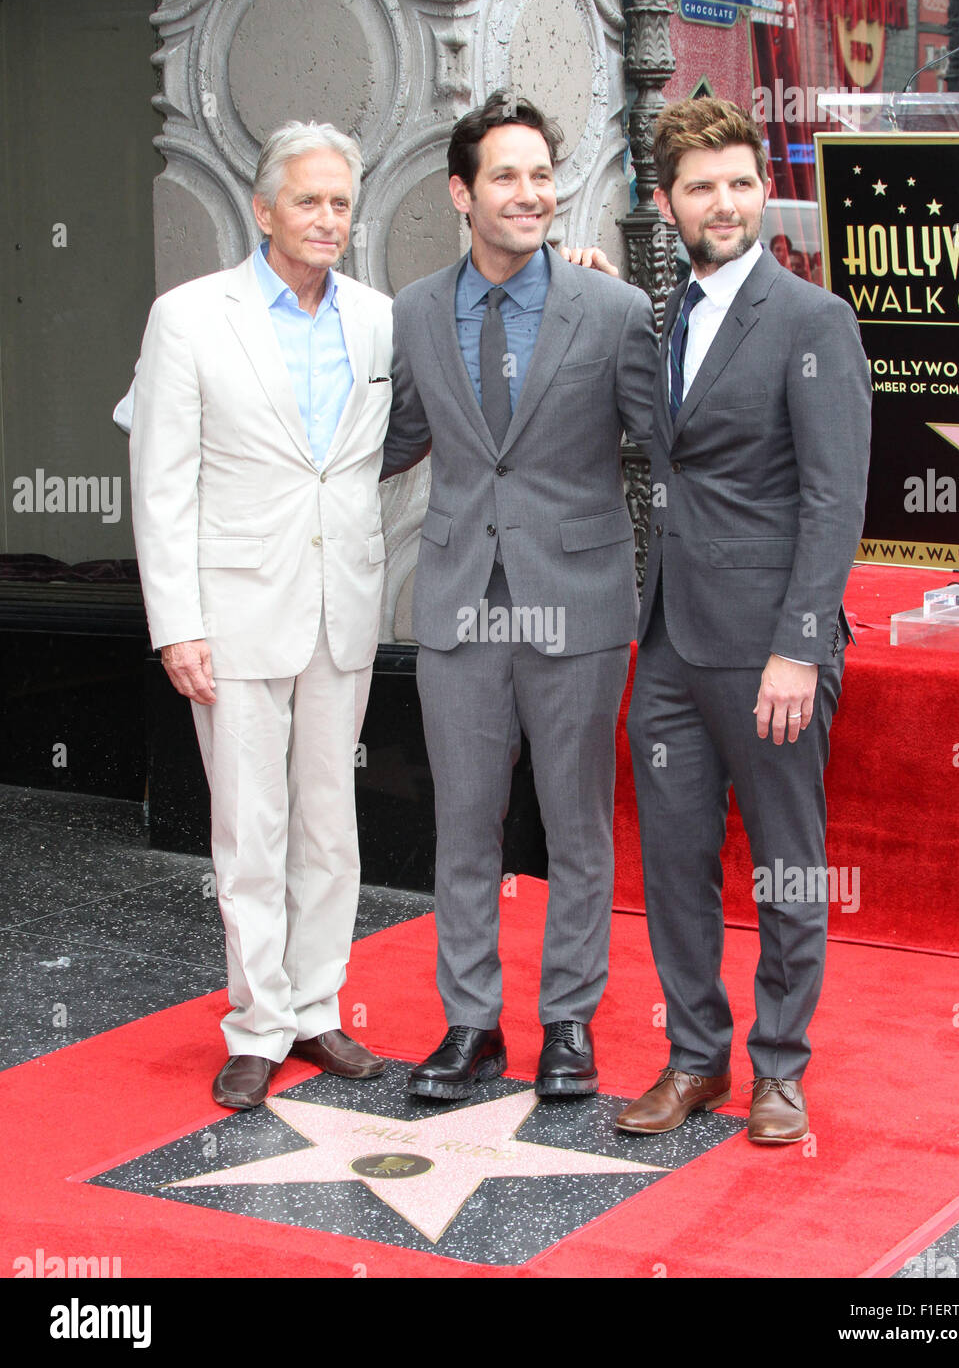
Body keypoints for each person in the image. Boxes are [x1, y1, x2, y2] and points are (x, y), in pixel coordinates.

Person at [382, 91, 658, 1101]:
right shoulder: (415, 311)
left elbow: (665, 441)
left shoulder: (613, 310)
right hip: (460, 599)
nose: (530, 192)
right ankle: (471, 1025)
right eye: (505, 175)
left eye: (542, 174)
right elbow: (394, 439)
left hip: (577, 599)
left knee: (578, 822)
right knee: (464, 822)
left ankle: (569, 1022)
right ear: (462, 194)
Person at [615, 97, 870, 1143]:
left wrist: (799, 648)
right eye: (700, 188)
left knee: (786, 861)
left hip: (770, 646)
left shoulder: (812, 321)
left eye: (738, 184)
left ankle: (780, 1069)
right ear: (667, 203)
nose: (722, 204)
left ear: (763, 191)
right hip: (668, 643)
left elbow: (833, 498)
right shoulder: (661, 319)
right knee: (673, 863)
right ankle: (694, 1058)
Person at [129, 121, 394, 1109]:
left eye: (340, 202)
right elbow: (162, 482)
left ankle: (316, 1007)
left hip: (342, 605)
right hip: (232, 610)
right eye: (308, 200)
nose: (327, 218)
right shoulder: (189, 317)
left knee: (330, 822)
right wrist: (176, 623)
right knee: (248, 827)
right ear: (263, 208)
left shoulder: (379, 319)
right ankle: (258, 1022)